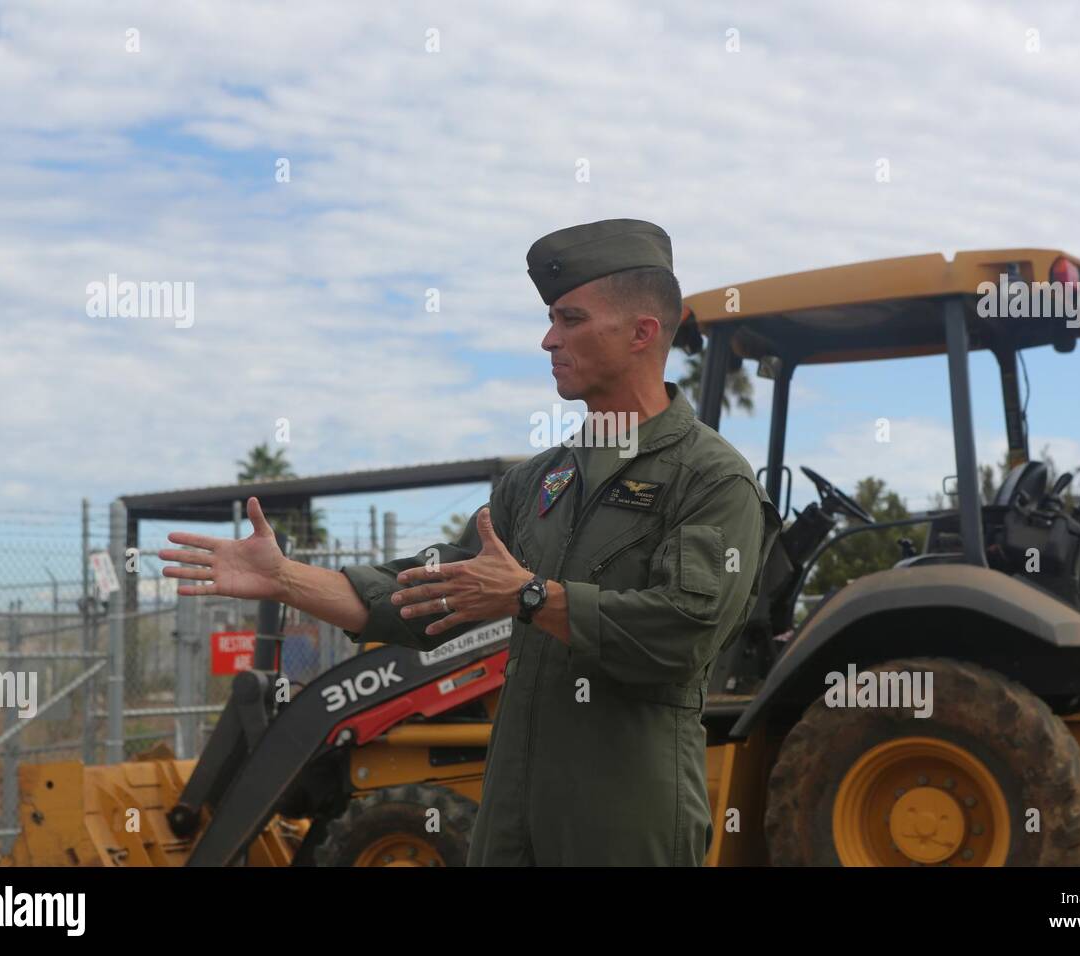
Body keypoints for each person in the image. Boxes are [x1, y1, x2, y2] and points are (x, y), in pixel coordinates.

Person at [160, 218, 781, 865]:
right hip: (510, 815)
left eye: (570, 319)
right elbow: (428, 598)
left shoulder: (711, 479)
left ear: (642, 332)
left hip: (625, 817)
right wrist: (287, 578)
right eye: (550, 320)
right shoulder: (536, 483)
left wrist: (533, 596)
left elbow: (683, 634)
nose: (549, 339)